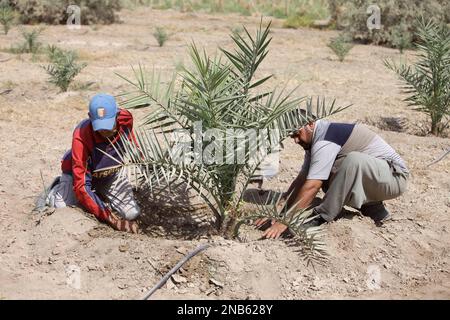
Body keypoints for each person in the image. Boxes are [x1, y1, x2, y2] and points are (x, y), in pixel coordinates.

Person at [257, 116, 409, 239]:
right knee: (328, 171)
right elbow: (302, 179)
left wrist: (286, 221)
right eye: (292, 136)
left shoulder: (325, 139)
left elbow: (313, 185)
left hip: (394, 178)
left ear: (310, 124)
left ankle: (321, 216)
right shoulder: (314, 141)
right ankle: (375, 210)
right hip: (375, 179)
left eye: (297, 134)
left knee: (351, 161)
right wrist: (279, 209)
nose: (296, 140)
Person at [46, 93, 141, 233]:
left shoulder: (125, 119)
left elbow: (134, 146)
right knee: (61, 206)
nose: (105, 130)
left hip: (110, 174)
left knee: (132, 213)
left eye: (108, 124)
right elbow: (82, 186)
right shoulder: (81, 135)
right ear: (90, 118)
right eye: (100, 126)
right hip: (78, 176)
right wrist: (112, 220)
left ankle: (100, 194)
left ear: (117, 114)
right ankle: (56, 190)